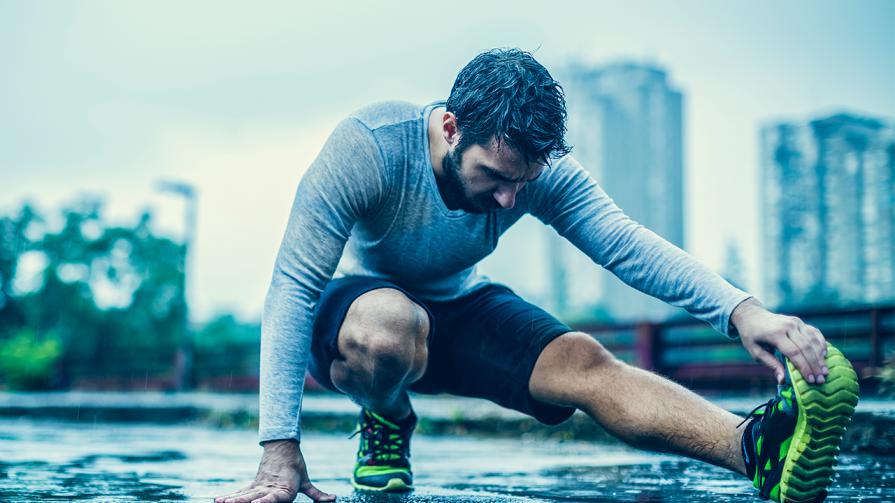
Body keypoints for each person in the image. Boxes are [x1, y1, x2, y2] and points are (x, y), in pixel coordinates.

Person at [214, 48, 859, 503]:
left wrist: (743, 311)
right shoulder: (370, 146)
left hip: (458, 307)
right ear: (450, 126)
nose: (505, 201)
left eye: (519, 185)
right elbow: (293, 286)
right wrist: (279, 447)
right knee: (390, 324)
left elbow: (626, 244)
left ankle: (755, 451)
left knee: (584, 360)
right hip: (358, 316)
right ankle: (386, 417)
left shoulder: (530, 174)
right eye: (492, 177)